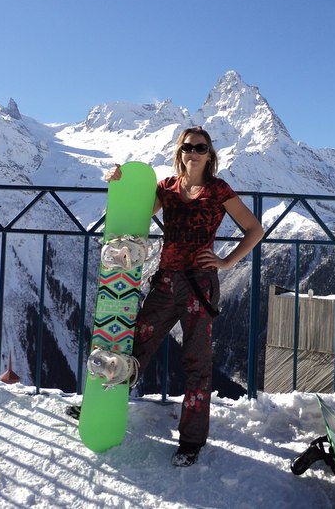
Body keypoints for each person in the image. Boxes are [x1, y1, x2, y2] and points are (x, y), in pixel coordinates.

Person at [105, 126, 264, 467]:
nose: (194, 152)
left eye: (200, 147)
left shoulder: (219, 190)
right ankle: (104, 409)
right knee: (136, 344)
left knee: (197, 364)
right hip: (165, 281)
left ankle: (191, 441)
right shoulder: (166, 188)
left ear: (210, 154)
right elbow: (136, 213)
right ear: (180, 152)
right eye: (188, 147)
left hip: (199, 286)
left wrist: (226, 262)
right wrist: (120, 183)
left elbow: (255, 230)